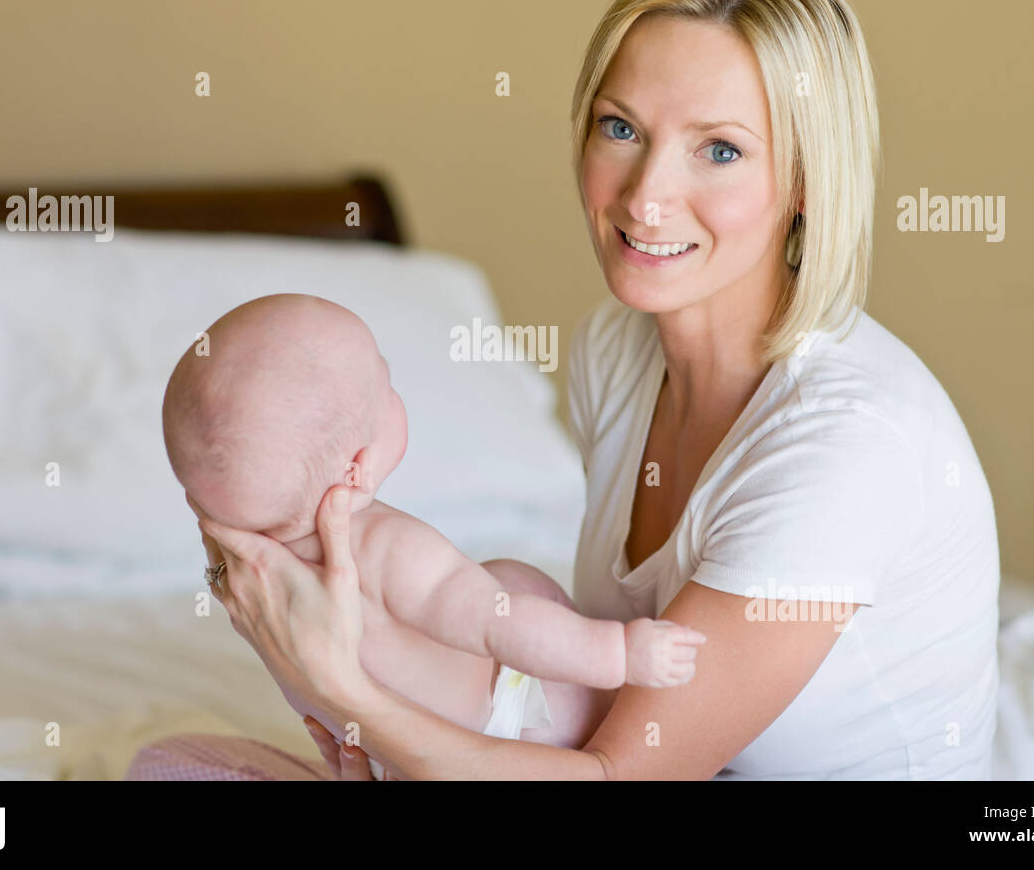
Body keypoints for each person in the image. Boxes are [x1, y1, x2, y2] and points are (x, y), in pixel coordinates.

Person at [128, 0, 999, 781]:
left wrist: (342, 688)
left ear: (807, 179)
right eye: (621, 127)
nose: (645, 196)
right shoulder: (614, 352)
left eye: (720, 149)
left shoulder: (846, 447)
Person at [158, 292, 703, 779]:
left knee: (162, 759)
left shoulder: (255, 588)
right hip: (521, 731)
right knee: (513, 591)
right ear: (359, 467)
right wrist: (618, 653)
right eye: (385, 382)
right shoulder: (382, 549)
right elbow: (496, 623)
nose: (394, 384)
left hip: (393, 760)